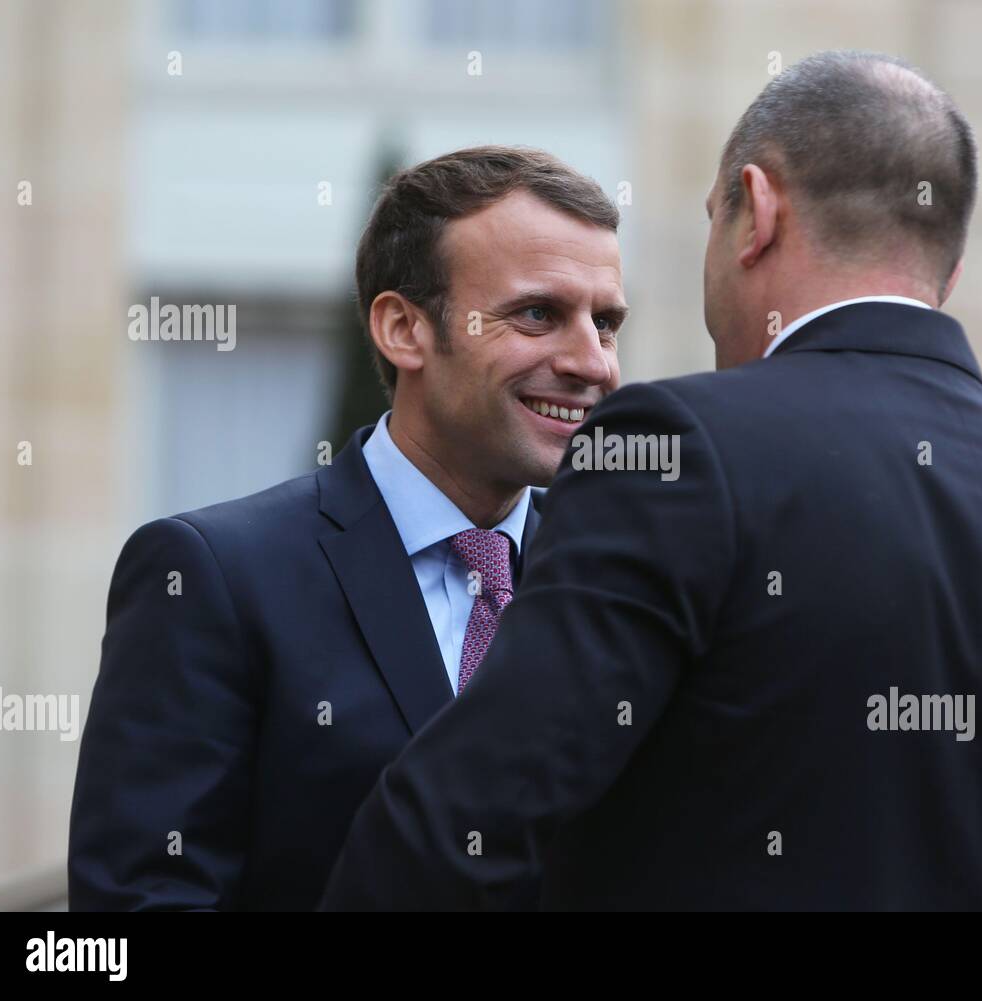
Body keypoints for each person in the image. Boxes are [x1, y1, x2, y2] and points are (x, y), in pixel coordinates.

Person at [321, 53, 982, 911]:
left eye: (711, 218)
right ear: (947, 271)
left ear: (757, 214)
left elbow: (460, 825)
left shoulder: (678, 448)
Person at [68, 148, 627, 910]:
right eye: (538, 314)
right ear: (404, 328)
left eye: (606, 323)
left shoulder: (625, 579)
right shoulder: (213, 576)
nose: (593, 363)